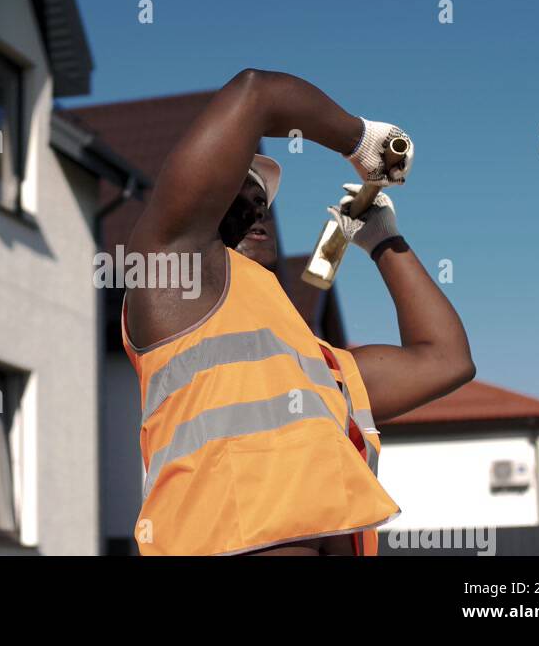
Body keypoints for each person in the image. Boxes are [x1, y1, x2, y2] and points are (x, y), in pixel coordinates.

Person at [123, 69, 475, 555]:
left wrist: (382, 238)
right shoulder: (171, 275)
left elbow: (447, 360)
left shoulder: (320, 371)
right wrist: (363, 141)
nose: (256, 212)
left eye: (261, 204)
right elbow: (256, 92)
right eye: (236, 201)